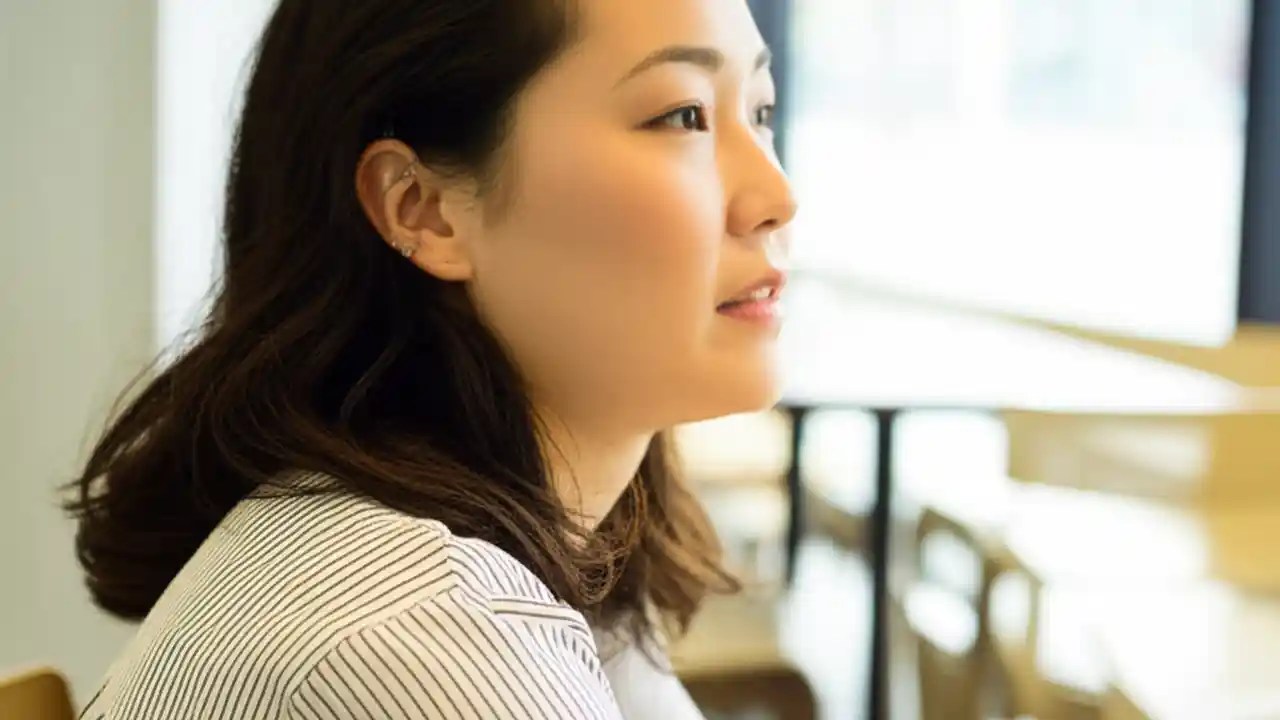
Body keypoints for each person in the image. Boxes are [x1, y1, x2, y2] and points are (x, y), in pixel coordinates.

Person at [67, 0, 797, 717]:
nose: (777, 195)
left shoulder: (544, 571)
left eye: (760, 113)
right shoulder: (426, 634)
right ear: (421, 207)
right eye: (682, 116)